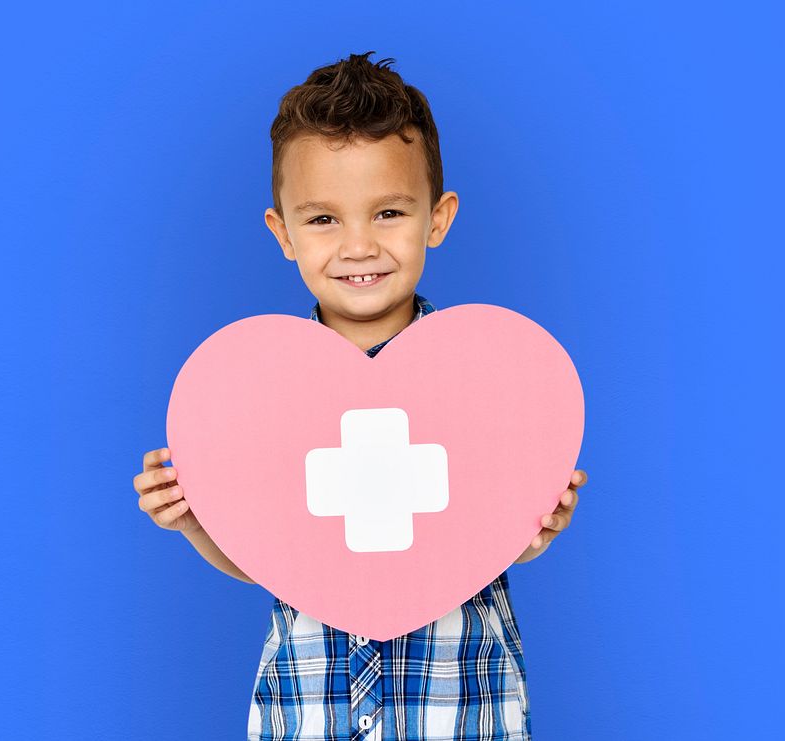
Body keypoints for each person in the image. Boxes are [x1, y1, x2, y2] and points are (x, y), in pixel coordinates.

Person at [132, 50, 588, 741]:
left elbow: (487, 541)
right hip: (310, 713)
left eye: (389, 212)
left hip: (461, 709)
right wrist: (196, 520)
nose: (358, 246)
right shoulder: (260, 397)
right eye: (323, 220)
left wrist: (536, 527)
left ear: (437, 218)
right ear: (282, 233)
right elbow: (265, 560)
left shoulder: (486, 385)